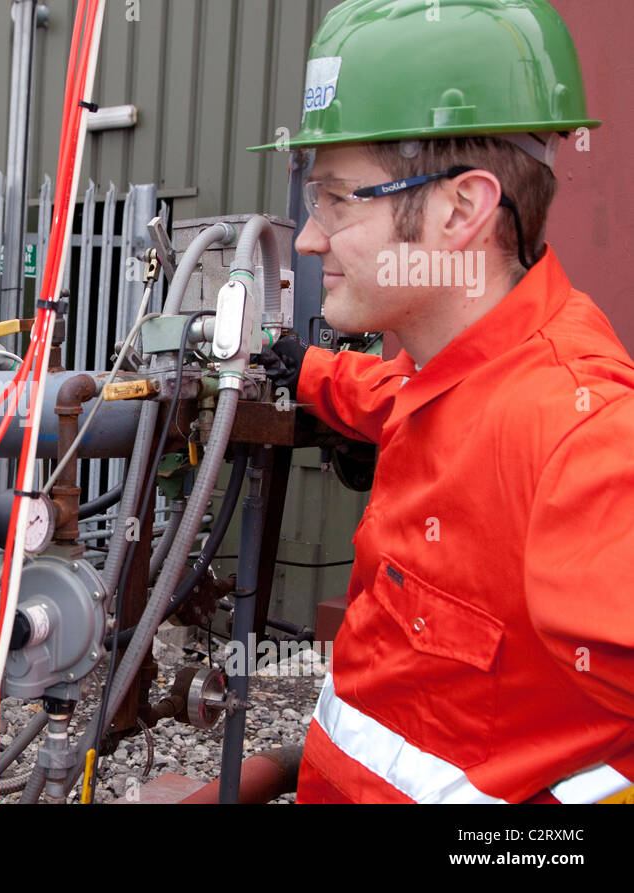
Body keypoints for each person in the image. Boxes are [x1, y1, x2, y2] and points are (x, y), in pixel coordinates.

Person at [250, 0, 634, 803]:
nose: (312, 238)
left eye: (336, 199)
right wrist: (301, 366)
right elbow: (381, 393)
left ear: (461, 210)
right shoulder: (445, 375)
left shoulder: (587, 442)